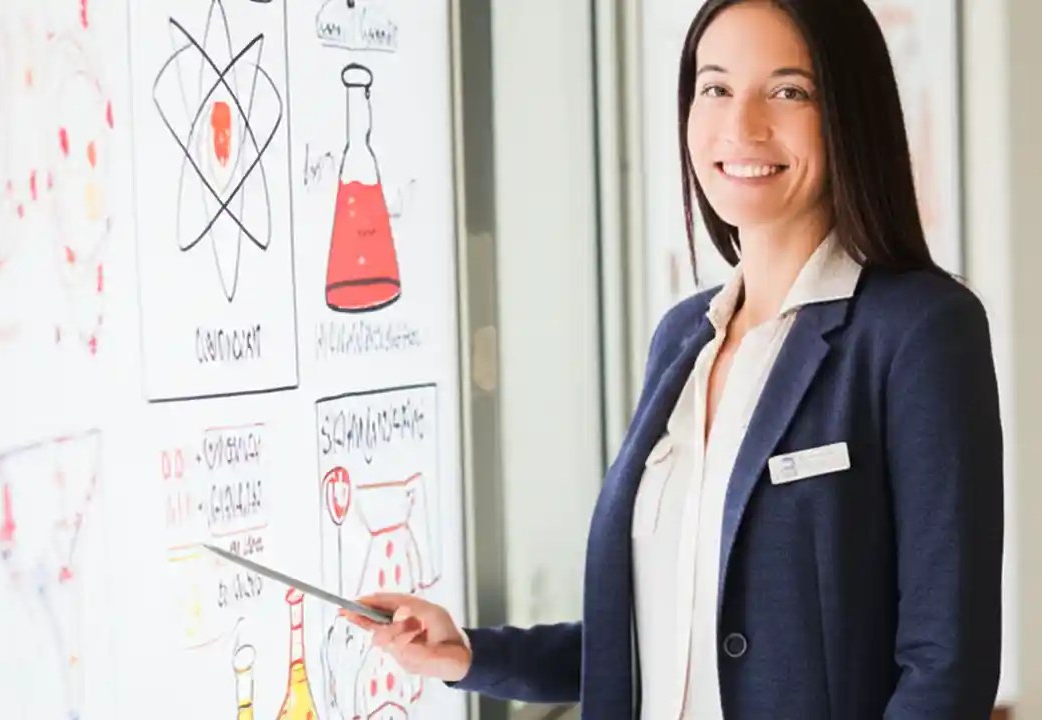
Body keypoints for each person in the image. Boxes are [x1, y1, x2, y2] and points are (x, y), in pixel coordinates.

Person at [341, 0, 1004, 717]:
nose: (742, 124)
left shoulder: (919, 331)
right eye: (715, 87)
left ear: (850, 111)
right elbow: (653, 636)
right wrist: (469, 653)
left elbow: (946, 665)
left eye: (788, 91)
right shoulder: (683, 338)